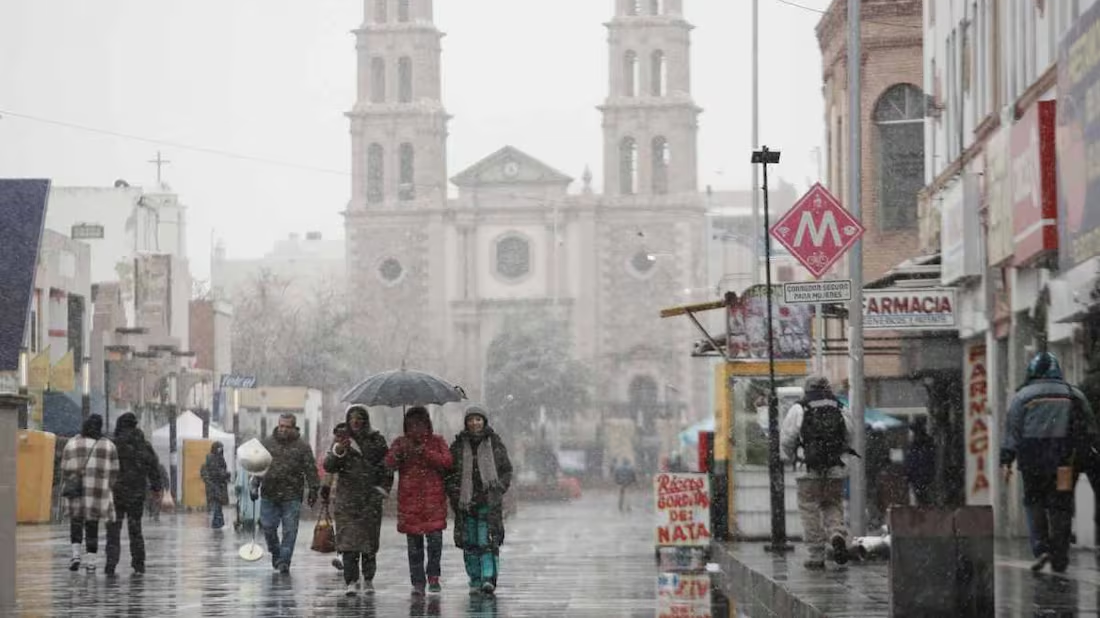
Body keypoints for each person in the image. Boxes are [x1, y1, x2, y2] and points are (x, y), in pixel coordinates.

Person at [1000, 352, 1098, 573]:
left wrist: (1006, 460)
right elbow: (1090, 428)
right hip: (1064, 461)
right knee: (1061, 505)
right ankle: (1060, 556)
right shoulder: (1073, 394)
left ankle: (1041, 546)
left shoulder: (1022, 396)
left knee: (1033, 501)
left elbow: (1012, 431)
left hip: (1031, 461)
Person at [780, 375, 854, 570]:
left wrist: (793, 456)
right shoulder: (840, 407)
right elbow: (849, 435)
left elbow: (787, 439)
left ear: (807, 389)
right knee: (832, 504)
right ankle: (837, 534)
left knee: (809, 508)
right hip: (835, 468)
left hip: (807, 469)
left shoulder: (799, 408)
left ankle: (816, 554)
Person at [323, 406, 392, 596]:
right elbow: (329, 466)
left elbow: (387, 467)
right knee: (348, 545)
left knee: (369, 544)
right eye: (352, 418)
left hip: (370, 499)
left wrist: (383, 489)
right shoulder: (341, 440)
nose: (355, 421)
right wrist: (339, 451)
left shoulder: (377, 440)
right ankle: (351, 581)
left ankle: (368, 579)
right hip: (347, 501)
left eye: (359, 418)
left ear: (365, 420)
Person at [445, 405, 513, 596]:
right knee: (470, 544)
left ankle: (488, 578)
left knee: (487, 542)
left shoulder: (494, 443)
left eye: (478, 419)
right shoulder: (458, 446)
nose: (475, 423)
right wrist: (455, 493)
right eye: (471, 420)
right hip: (466, 504)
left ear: (484, 421)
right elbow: (449, 474)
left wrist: (498, 488)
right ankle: (474, 579)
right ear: (466, 422)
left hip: (488, 502)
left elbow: (506, 470)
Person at [385, 406, 453, 596]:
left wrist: (426, 453)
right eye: (412, 424)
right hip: (410, 502)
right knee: (414, 548)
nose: (416, 428)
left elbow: (447, 462)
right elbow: (388, 464)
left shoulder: (436, 442)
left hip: (433, 502)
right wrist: (398, 453)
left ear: (427, 424)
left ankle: (433, 577)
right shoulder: (401, 443)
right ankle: (417, 582)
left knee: (435, 543)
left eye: (420, 423)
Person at [250, 413, 320, 574]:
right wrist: (254, 485)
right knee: (268, 527)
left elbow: (311, 469)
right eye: (281, 426)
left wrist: (314, 489)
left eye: (287, 427)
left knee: (290, 530)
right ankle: (276, 552)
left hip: (292, 495)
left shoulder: (302, 447)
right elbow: (258, 467)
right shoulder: (267, 443)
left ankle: (284, 560)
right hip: (269, 493)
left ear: (294, 427)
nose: (283, 429)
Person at [104, 412, 163, 575]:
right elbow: (153, 467)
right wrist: (156, 488)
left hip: (116, 492)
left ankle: (111, 563)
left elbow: (105, 467)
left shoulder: (113, 444)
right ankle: (138, 563)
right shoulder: (143, 445)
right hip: (136, 493)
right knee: (135, 529)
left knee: (113, 530)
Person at [61, 415, 120, 574]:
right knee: (92, 526)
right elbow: (115, 472)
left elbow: (64, 467)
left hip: (76, 491)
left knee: (76, 522)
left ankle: (75, 555)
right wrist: (106, 485)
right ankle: (91, 562)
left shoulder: (72, 443)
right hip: (97, 493)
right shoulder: (109, 446)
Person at [200, 441, 232, 529]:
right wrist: (224, 475)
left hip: (218, 486)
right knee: (217, 505)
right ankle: (217, 524)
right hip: (215, 486)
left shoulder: (219, 458)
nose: (220, 450)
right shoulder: (212, 458)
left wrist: (225, 475)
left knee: (218, 505)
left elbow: (220, 471)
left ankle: (218, 523)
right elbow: (214, 472)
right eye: (219, 448)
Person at [905, 416, 935, 506]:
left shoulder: (921, 446)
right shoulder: (923, 445)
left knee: (924, 500)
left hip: (923, 478)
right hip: (921, 477)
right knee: (923, 500)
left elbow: (912, 462)